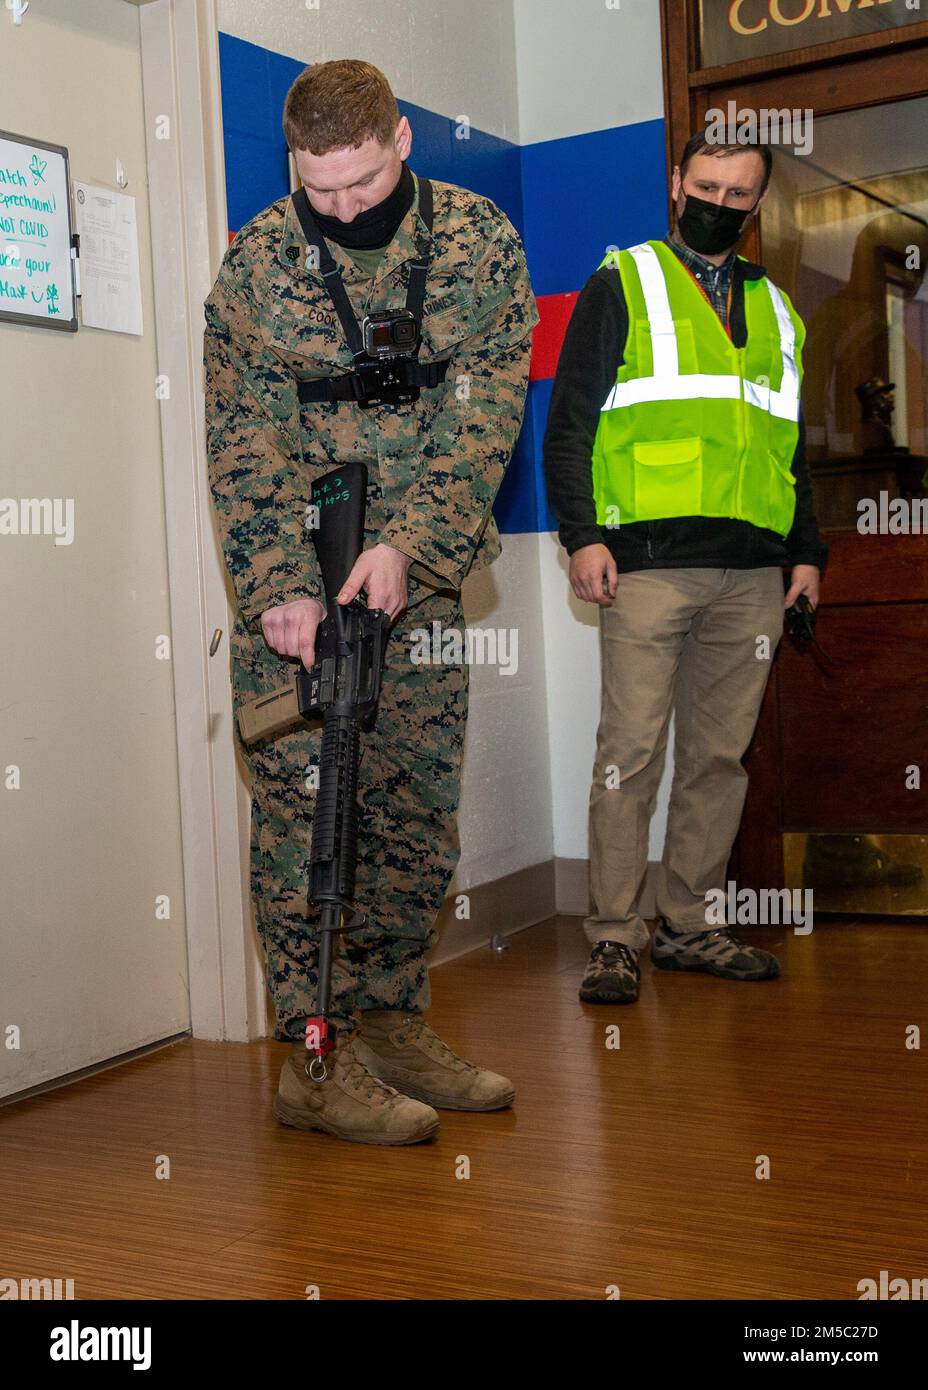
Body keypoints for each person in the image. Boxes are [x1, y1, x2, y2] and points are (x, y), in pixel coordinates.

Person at [203, 60, 537, 1141]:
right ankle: (311, 1058)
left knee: (411, 819)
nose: (342, 207)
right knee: (306, 825)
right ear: (293, 158)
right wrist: (275, 590)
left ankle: (390, 1022)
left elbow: (484, 421)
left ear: (400, 138)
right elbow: (239, 440)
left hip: (419, 590)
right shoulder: (256, 264)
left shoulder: (479, 243)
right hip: (299, 592)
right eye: (319, 186)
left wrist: (413, 547)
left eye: (360, 181)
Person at [543, 131, 827, 1005]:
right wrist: (581, 534)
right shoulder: (621, 281)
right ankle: (614, 938)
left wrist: (807, 551)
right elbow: (570, 422)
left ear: (756, 205)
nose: (720, 204)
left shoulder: (778, 309)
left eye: (740, 194)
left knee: (720, 756)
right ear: (676, 183)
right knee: (629, 753)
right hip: (649, 565)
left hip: (753, 573)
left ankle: (692, 927)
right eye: (707, 185)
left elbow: (791, 449)